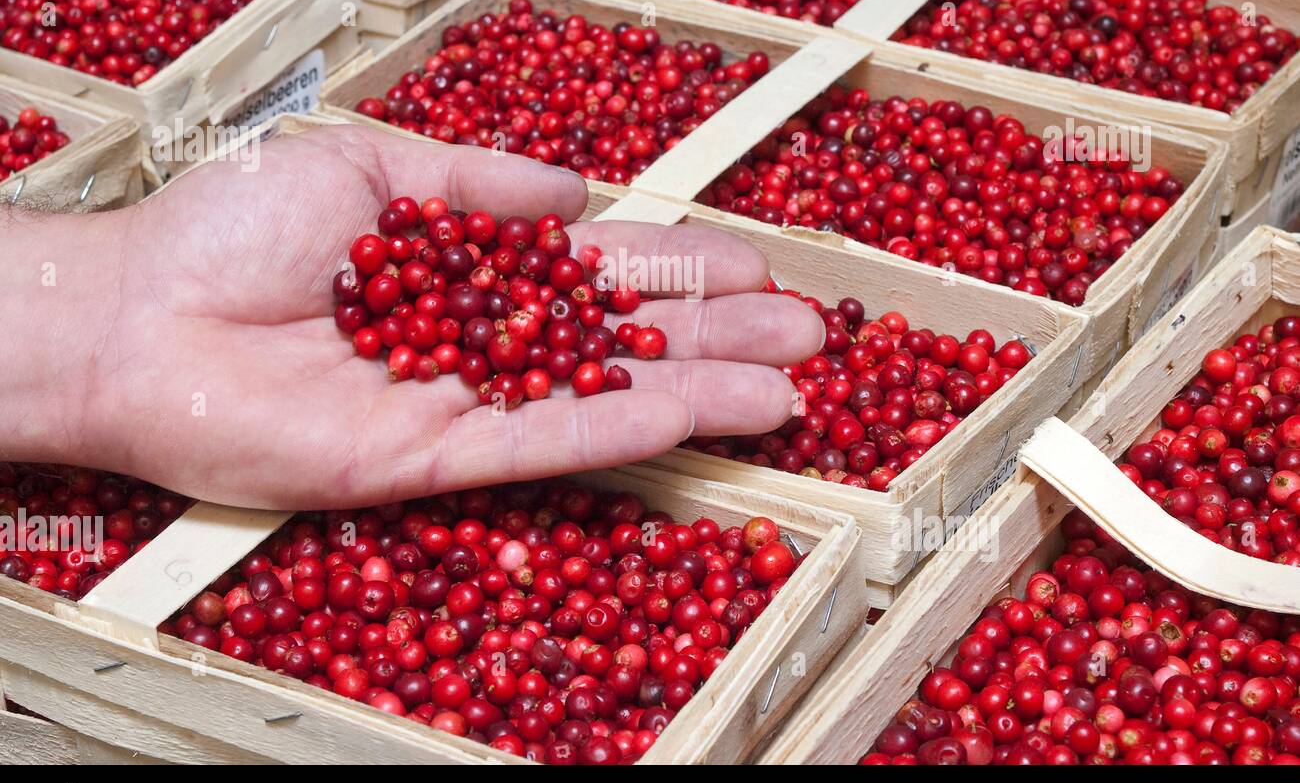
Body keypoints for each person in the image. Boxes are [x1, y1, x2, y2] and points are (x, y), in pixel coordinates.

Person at [0, 124, 824, 509]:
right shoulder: (412, 290)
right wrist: (126, 291)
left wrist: (115, 298)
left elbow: (485, 308)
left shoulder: (489, 302)